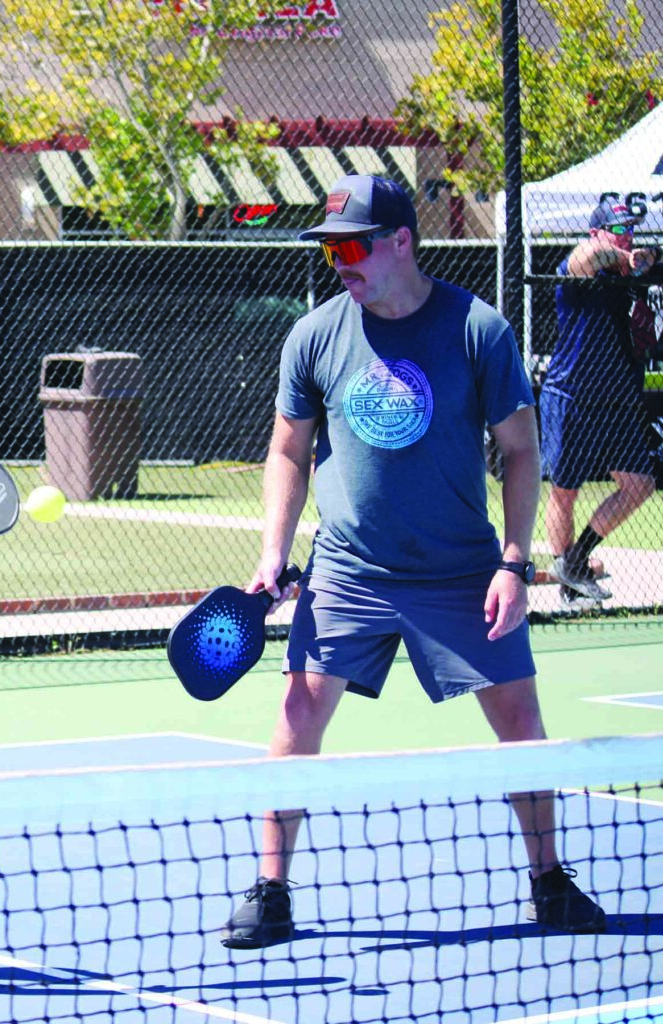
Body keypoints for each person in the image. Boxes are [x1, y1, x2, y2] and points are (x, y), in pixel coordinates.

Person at [220, 175, 606, 951]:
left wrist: (512, 562)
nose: (340, 262)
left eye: (354, 245)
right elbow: (288, 450)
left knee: (521, 725)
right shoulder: (314, 336)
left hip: (461, 573)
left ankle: (548, 879)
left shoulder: (478, 329)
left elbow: (522, 450)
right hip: (349, 572)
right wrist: (273, 551)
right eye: (330, 248)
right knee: (296, 720)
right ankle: (270, 890)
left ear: (402, 241)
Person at [540, 199, 658, 608]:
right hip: (572, 394)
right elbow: (588, 255)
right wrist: (625, 254)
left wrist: (641, 257)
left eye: (631, 230)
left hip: (618, 399)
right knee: (564, 492)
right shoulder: (580, 265)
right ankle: (570, 586)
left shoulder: (630, 272)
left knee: (639, 486)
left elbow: (643, 256)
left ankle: (574, 560)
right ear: (596, 231)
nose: (626, 236)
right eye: (618, 228)